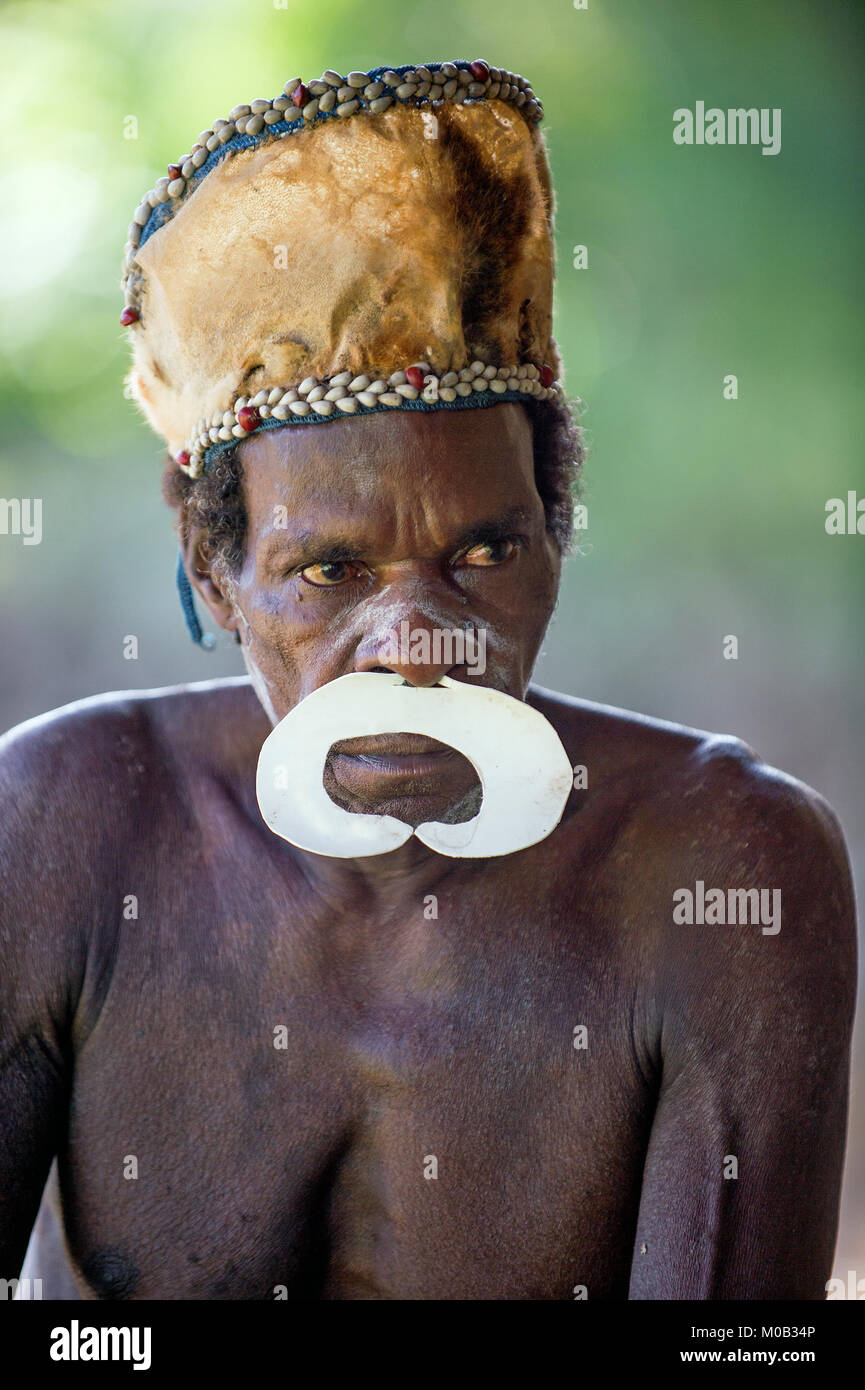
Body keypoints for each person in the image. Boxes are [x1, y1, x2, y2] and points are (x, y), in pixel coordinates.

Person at [1, 57, 855, 1301]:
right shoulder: (58, 828)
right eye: (333, 569)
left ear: (558, 541)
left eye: (483, 553)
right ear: (215, 565)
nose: (415, 643)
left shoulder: (725, 869)